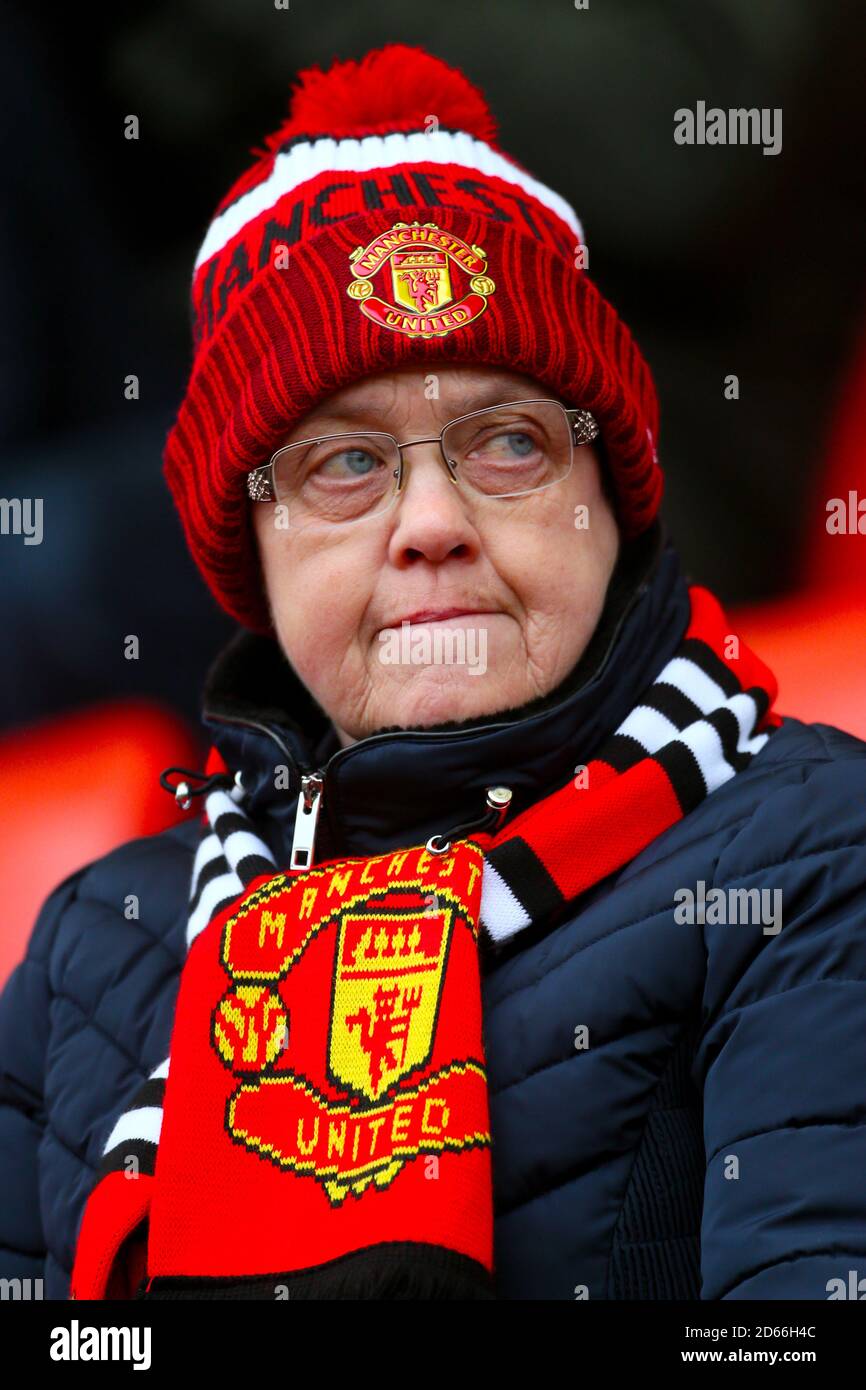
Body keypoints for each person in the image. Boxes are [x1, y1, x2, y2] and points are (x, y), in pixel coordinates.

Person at [2, 43, 865, 1302]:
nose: (428, 521)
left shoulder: (800, 852)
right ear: (252, 549)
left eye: (507, 441)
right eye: (343, 465)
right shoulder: (101, 940)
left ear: (610, 499)